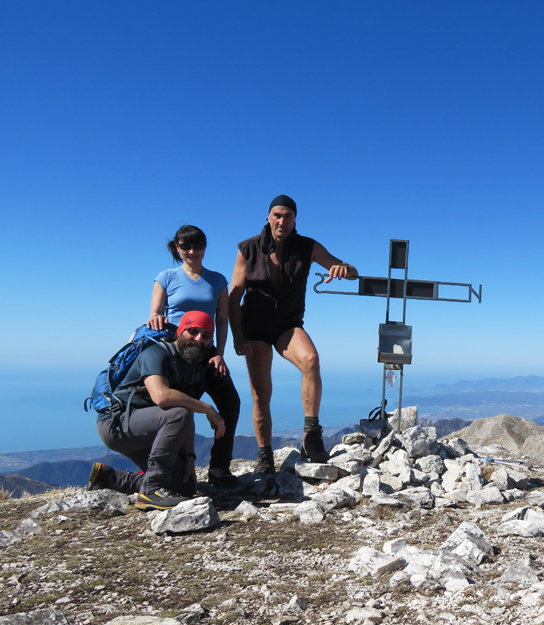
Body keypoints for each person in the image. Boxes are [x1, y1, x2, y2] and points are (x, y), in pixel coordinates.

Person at [229, 195, 357, 472]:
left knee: (310, 360)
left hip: (288, 325)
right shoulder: (248, 249)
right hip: (255, 328)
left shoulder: (307, 246)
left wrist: (343, 268)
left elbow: (352, 272)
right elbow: (233, 296)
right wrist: (237, 336)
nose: (282, 221)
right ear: (268, 217)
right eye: (277, 215)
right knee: (261, 393)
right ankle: (265, 456)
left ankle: (312, 435)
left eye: (288, 216)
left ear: (295, 220)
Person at [88, 311, 226, 510]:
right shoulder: (155, 353)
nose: (198, 339)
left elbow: (186, 415)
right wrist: (208, 409)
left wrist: (189, 459)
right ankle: (153, 490)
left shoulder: (195, 368)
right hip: (117, 425)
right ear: (180, 331)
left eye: (205, 336)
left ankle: (110, 478)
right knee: (179, 413)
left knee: (184, 487)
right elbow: (161, 397)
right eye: (193, 331)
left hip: (148, 430)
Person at [147, 225, 241, 485]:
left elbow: (222, 320)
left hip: (207, 351)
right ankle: (175, 469)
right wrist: (155, 318)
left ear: (205, 247)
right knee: (179, 410)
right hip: (176, 351)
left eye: (197, 246)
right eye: (185, 246)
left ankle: (219, 468)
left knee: (230, 403)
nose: (192, 251)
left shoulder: (218, 280)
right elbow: (154, 314)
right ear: (177, 248)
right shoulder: (165, 277)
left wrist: (220, 354)